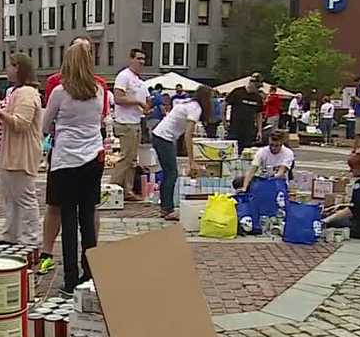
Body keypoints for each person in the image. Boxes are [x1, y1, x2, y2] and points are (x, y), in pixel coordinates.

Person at [37, 36, 111, 276]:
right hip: (93, 158)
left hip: (66, 160)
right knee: (88, 216)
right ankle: (89, 272)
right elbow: (99, 120)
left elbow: (45, 126)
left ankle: (70, 278)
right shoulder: (99, 90)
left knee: (68, 218)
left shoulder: (59, 92)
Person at [0, 53, 43, 247]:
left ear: (19, 68)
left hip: (21, 153)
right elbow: (13, 113)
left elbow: (21, 123)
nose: (7, 69)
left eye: (10, 65)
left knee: (24, 197)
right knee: (11, 197)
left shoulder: (27, 93)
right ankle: (11, 234)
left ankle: (31, 238)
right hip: (11, 152)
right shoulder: (16, 91)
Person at [151, 85, 212, 221]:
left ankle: (165, 208)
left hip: (160, 135)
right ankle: (168, 209)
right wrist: (192, 161)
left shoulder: (188, 103)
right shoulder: (196, 108)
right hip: (164, 138)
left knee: (168, 172)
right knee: (171, 173)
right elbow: (188, 135)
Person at [112, 48, 150, 202]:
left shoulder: (140, 81)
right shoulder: (124, 76)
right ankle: (112, 188)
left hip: (136, 122)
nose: (141, 62)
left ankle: (127, 190)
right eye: (138, 58)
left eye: (143, 59)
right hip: (125, 123)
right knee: (126, 158)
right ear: (131, 59)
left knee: (132, 160)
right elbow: (118, 98)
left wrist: (146, 107)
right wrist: (138, 102)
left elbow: (147, 100)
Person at [225, 74, 264, 152]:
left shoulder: (258, 97)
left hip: (249, 129)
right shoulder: (238, 92)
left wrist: (259, 131)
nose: (258, 89)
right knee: (232, 150)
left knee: (246, 151)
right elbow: (224, 105)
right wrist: (224, 121)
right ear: (251, 83)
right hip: (235, 128)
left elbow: (259, 114)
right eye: (257, 87)